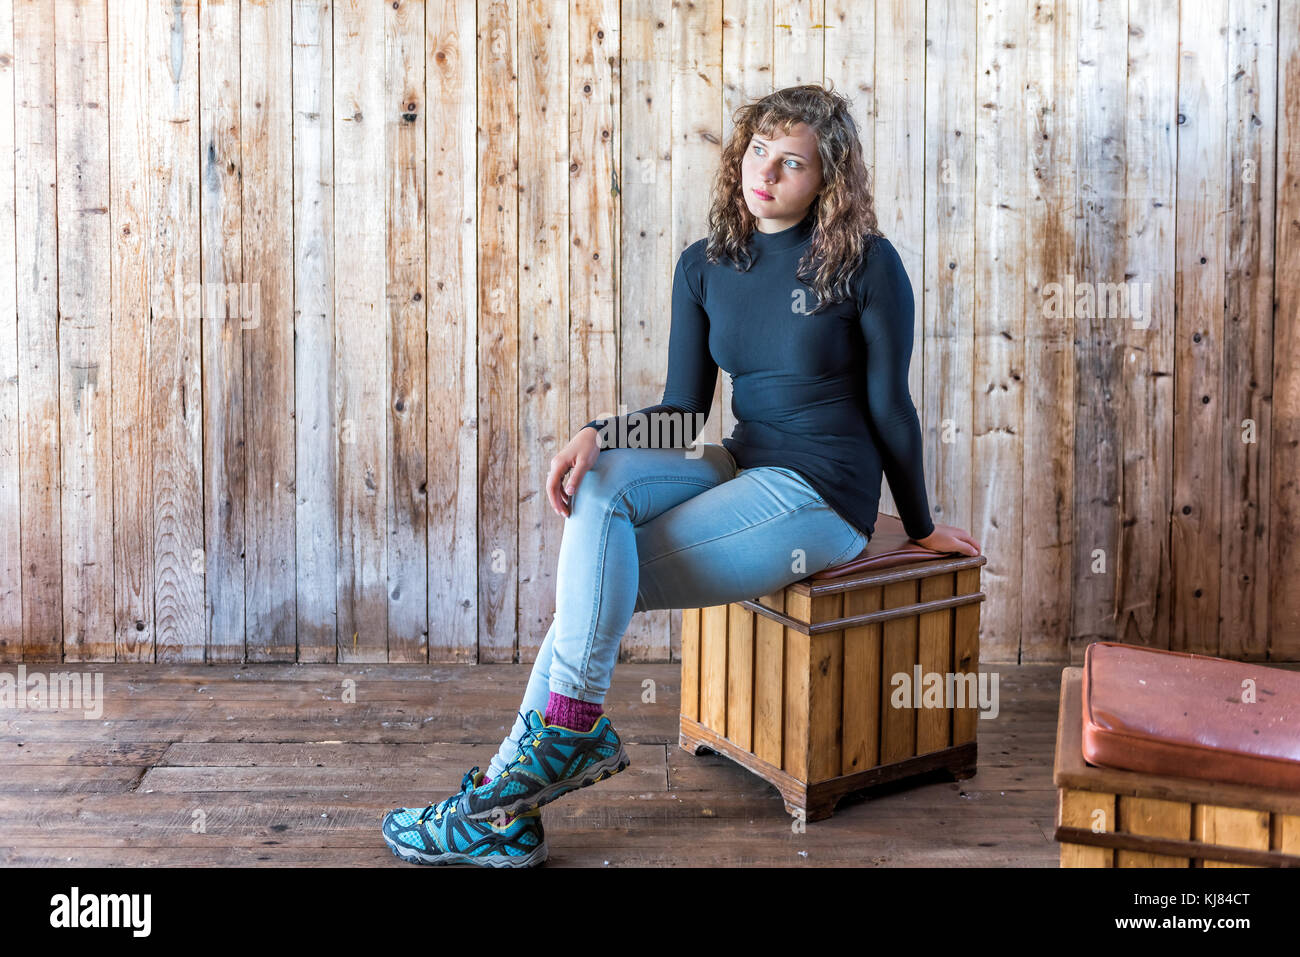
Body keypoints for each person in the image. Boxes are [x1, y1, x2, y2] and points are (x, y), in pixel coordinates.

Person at [381, 83, 982, 867]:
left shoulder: (865, 263)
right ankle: (545, 760)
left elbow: (893, 409)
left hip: (821, 497)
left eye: (791, 162)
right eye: (759, 151)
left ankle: (503, 800)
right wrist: (599, 433)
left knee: (590, 587)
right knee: (602, 490)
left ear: (827, 179)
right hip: (742, 460)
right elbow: (682, 413)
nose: (765, 173)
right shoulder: (706, 266)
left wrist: (923, 524)